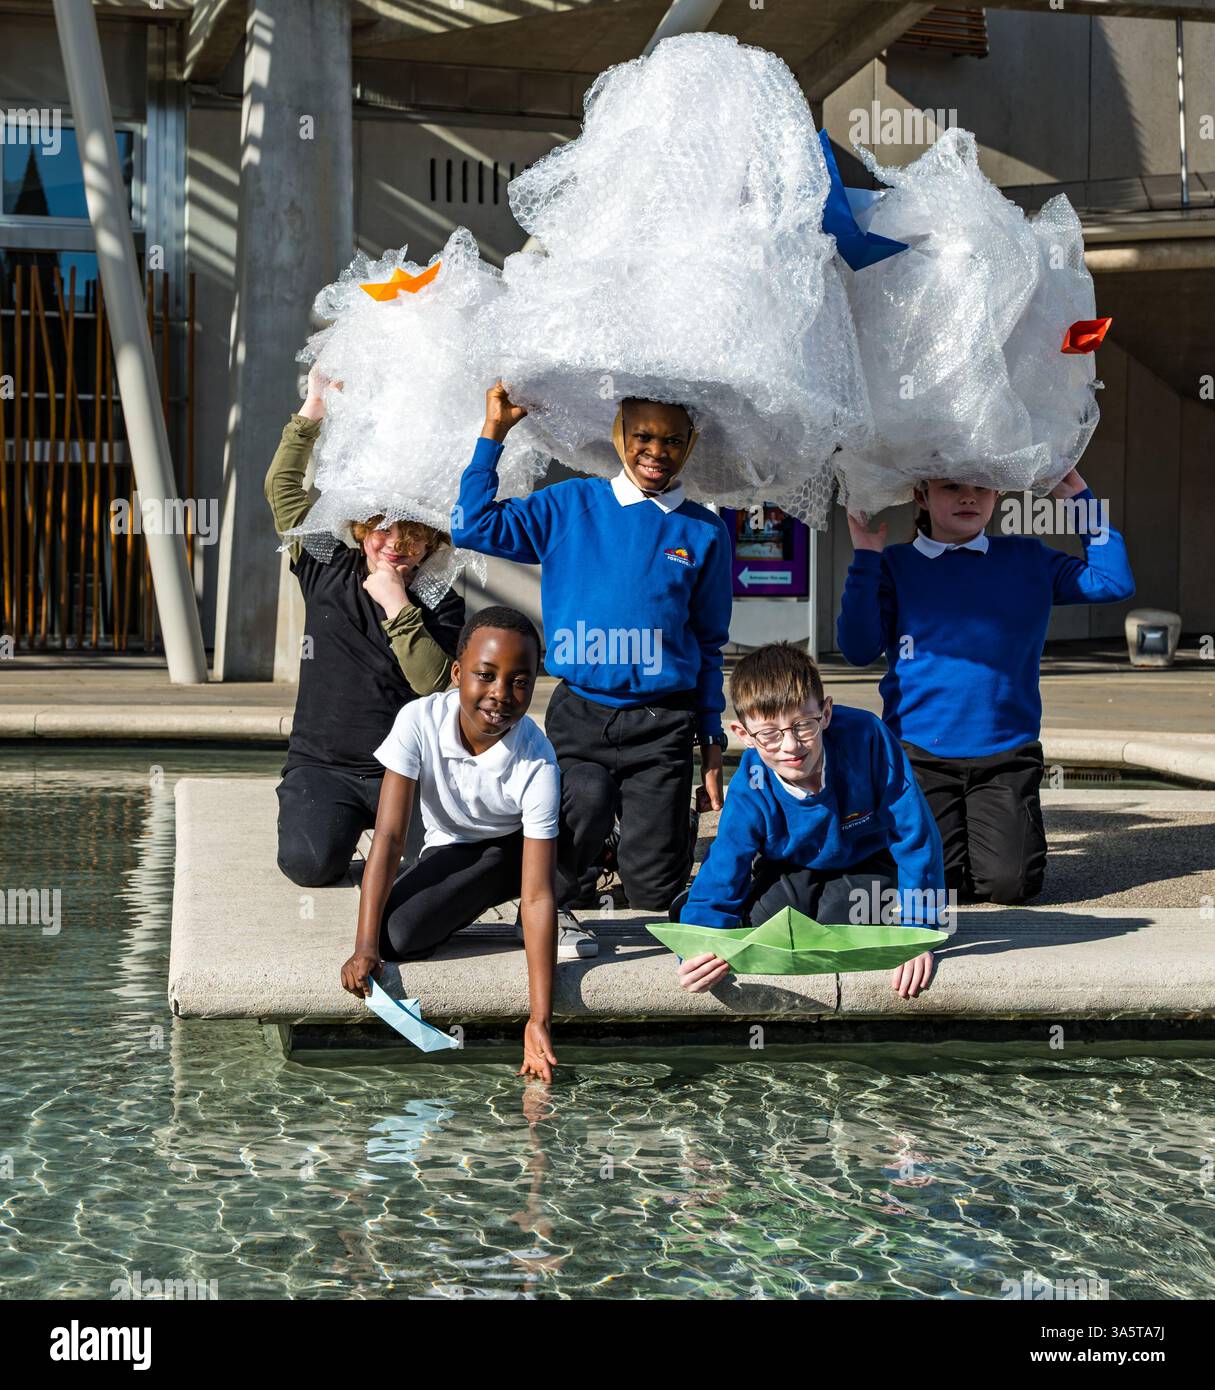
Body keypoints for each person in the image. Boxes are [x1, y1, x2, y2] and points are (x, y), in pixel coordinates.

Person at [450, 383, 733, 950]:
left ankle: (632, 856)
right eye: (643, 436)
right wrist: (493, 435)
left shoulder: (705, 530)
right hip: (580, 718)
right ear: (618, 435)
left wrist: (710, 743)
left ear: (691, 444)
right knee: (578, 829)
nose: (657, 451)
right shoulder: (569, 506)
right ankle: (567, 882)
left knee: (653, 890)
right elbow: (470, 525)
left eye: (674, 440)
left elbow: (707, 642)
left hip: (663, 723)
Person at [837, 470, 1134, 905]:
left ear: (998, 494)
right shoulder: (894, 565)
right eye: (952, 487)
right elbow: (858, 648)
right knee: (937, 890)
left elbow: (1114, 582)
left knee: (1009, 886)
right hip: (919, 757)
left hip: (1005, 757)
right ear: (922, 494)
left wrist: (1078, 499)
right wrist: (865, 556)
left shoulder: (1028, 559)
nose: (969, 498)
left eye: (981, 488)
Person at [340, 606, 561, 1081]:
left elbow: (538, 895)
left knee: (542, 853)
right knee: (394, 937)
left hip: (521, 848)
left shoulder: (538, 761)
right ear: (457, 673)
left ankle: (583, 854)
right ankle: (496, 878)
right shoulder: (417, 720)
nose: (501, 694)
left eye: (520, 681)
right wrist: (363, 947)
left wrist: (538, 1018)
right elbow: (390, 837)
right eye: (485, 675)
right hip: (456, 847)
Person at [265, 366, 465, 887]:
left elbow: (435, 683)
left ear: (431, 542)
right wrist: (312, 409)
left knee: (441, 866)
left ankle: (394, 844)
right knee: (309, 865)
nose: (396, 543)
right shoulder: (325, 564)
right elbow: (282, 489)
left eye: (413, 534)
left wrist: (399, 606)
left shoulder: (439, 599)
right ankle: (344, 828)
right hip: (322, 764)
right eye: (383, 529)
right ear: (362, 527)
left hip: (406, 770)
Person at [673, 642, 945, 1000]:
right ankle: (689, 907)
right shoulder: (751, 783)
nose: (790, 745)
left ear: (826, 713)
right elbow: (726, 862)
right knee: (765, 926)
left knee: (844, 925)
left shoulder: (868, 738)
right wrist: (697, 944)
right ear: (744, 736)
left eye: (803, 725)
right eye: (769, 734)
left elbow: (916, 836)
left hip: (867, 857)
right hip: (790, 863)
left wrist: (916, 934)